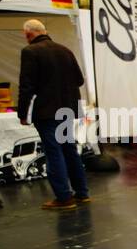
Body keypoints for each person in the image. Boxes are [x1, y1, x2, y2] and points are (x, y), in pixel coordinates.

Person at [16, 18, 91, 209]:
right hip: (68, 109)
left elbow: (26, 86)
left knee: (53, 152)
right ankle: (82, 193)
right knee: (69, 150)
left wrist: (22, 112)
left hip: (47, 111)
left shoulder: (30, 51)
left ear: (28, 34)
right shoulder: (65, 50)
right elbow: (79, 81)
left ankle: (64, 197)